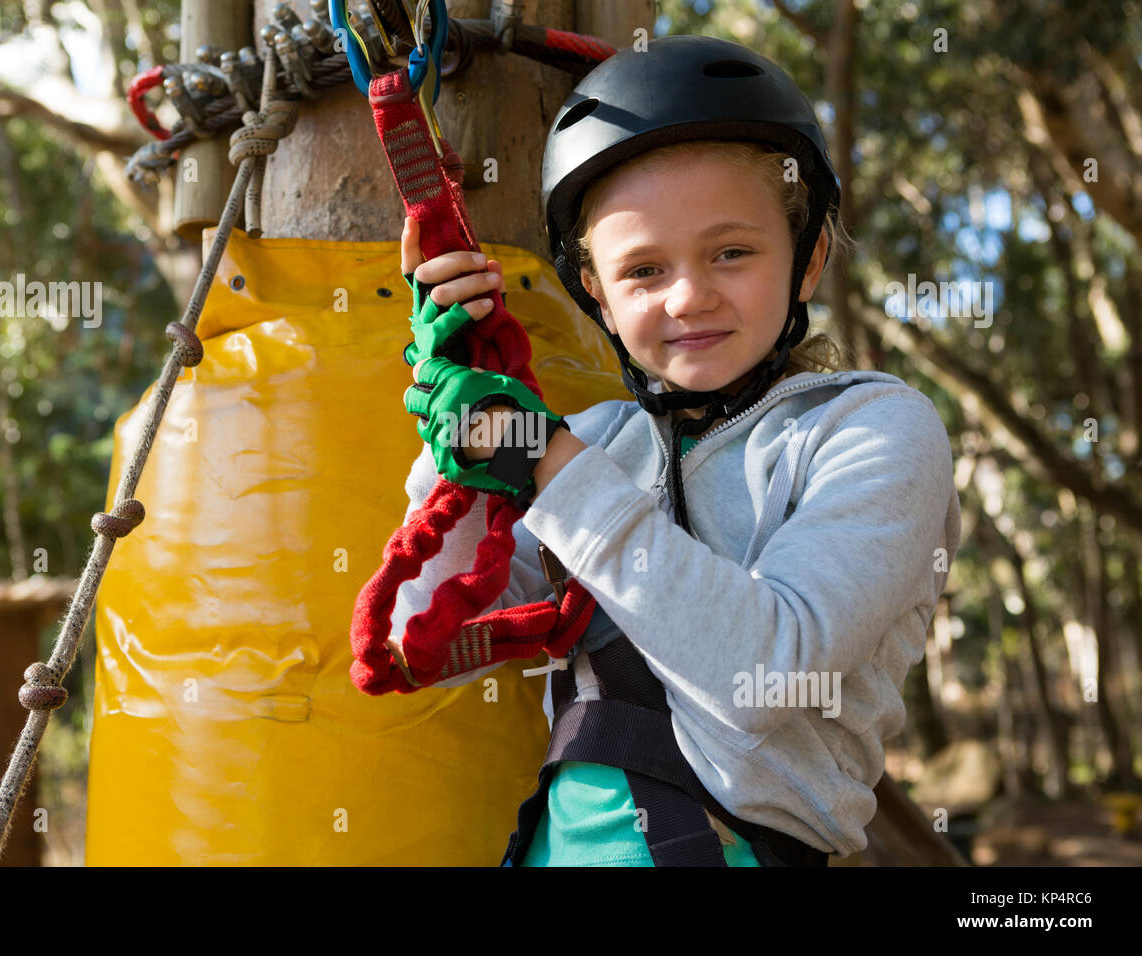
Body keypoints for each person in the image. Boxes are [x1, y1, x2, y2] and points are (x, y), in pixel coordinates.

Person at [392, 34, 961, 866]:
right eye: (644, 272)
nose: (689, 296)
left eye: (732, 252)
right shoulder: (591, 446)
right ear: (598, 295)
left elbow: (762, 674)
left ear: (810, 262)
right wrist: (460, 438)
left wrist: (540, 462)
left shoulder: (871, 429)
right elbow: (425, 638)